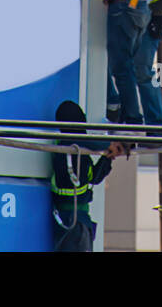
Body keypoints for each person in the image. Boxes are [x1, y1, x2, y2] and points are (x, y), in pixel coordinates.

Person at [49, 100, 123, 252]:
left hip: (79, 219)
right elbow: (76, 138)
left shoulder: (80, 151)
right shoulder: (67, 145)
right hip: (71, 221)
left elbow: (93, 178)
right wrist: (106, 144)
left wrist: (107, 158)